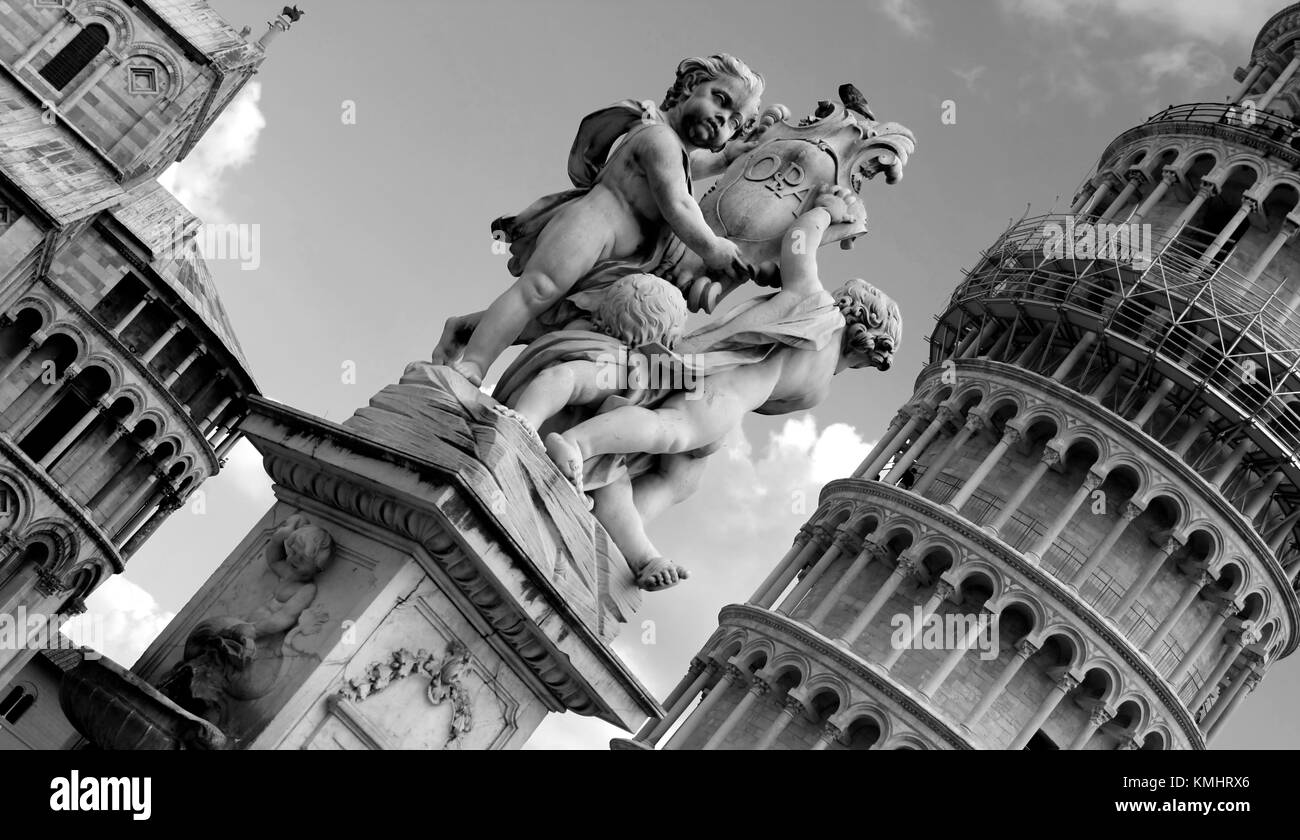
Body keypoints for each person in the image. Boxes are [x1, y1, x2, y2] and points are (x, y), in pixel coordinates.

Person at [431, 55, 764, 385]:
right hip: (589, 228)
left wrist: (729, 158)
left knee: (549, 318)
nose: (723, 119)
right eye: (720, 100)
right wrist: (712, 247)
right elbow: (678, 203)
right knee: (535, 291)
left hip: (617, 258)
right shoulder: (659, 139)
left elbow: (690, 168)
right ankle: (475, 362)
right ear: (691, 86)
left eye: (734, 122)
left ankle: (464, 328)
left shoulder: (674, 150)